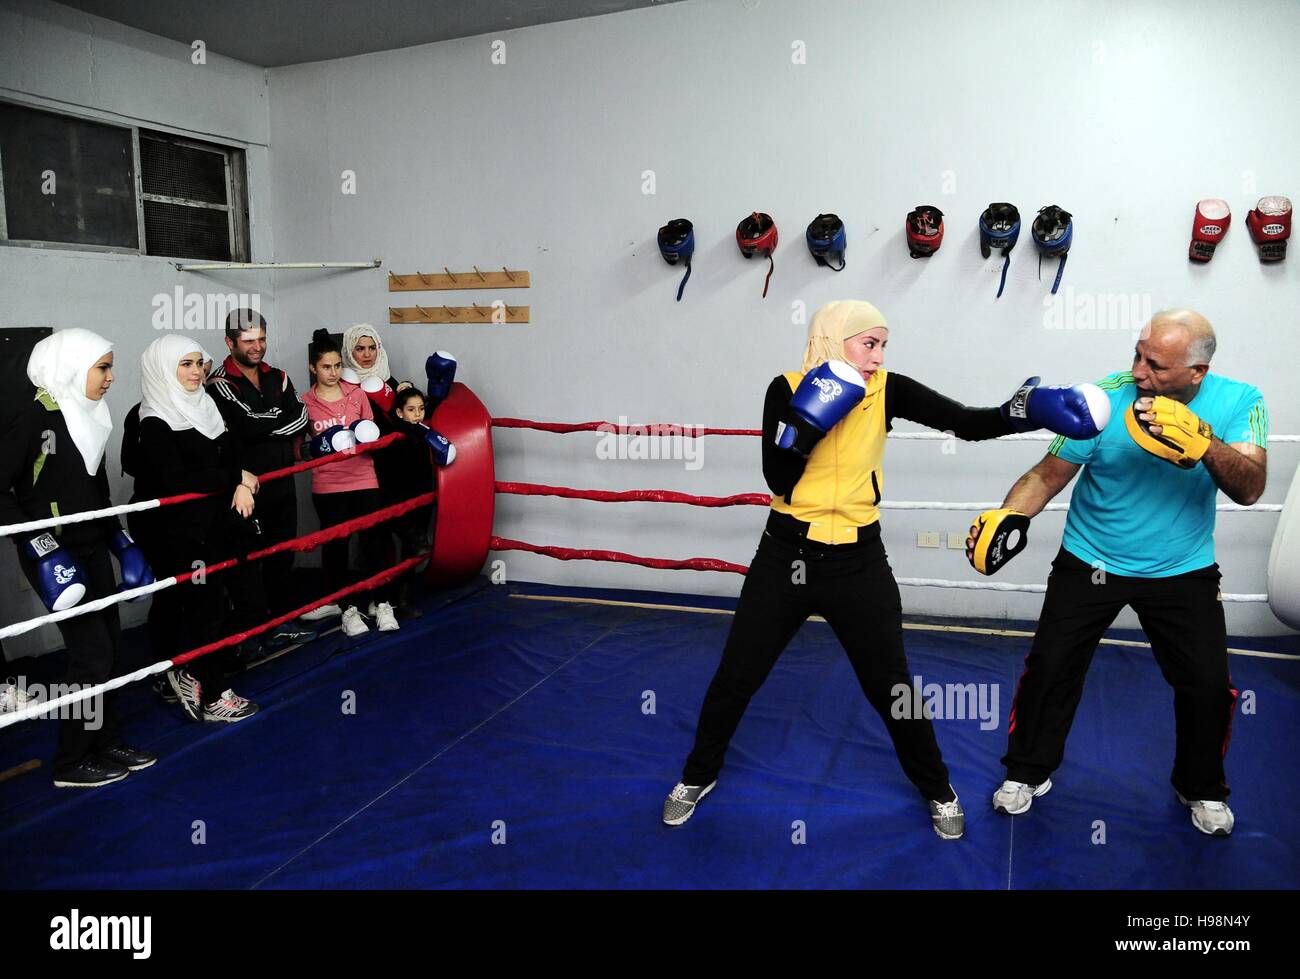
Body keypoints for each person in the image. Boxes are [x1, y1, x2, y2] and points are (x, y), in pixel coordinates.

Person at [662, 300, 1108, 838]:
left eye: (882, 346)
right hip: (787, 555)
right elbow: (778, 479)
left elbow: (964, 423)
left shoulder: (887, 389)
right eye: (868, 344)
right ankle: (696, 774)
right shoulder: (784, 387)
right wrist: (806, 421)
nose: (877, 358)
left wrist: (1026, 411)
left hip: (857, 562)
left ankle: (937, 788)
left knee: (892, 685)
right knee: (737, 674)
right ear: (834, 339)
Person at [970, 309, 1267, 837]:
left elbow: (1250, 488)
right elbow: (1046, 474)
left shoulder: (1241, 401)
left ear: (1196, 372)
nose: (1138, 371)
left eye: (1155, 364)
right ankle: (1027, 772)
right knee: (1051, 668)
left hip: (1182, 569)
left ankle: (1199, 785)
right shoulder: (1103, 398)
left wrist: (1204, 443)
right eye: (1138, 353)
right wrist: (1008, 516)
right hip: (1092, 559)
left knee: (1205, 685)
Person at [0, 329, 156, 787]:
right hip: (55, 554)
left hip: (92, 545)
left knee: (109, 650)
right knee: (90, 655)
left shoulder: (92, 416)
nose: (110, 378)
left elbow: (96, 492)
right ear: (70, 368)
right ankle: (70, 763)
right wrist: (39, 545)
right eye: (102, 368)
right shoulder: (31, 420)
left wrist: (120, 541)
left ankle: (103, 740)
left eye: (110, 367)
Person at [124, 336, 261, 723]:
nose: (196, 371)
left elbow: (233, 456)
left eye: (200, 363)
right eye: (185, 364)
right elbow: (177, 481)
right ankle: (208, 689)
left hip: (213, 522)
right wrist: (234, 476)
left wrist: (235, 479)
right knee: (198, 603)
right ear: (164, 368)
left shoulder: (209, 406)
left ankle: (186, 670)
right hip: (176, 531)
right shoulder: (152, 420)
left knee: (218, 600)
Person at [206, 309, 316, 652]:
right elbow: (244, 425)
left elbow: (302, 417)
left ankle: (282, 622)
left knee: (282, 554)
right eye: (249, 340)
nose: (257, 347)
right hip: (245, 489)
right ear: (230, 341)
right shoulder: (218, 383)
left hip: (282, 482)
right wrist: (272, 421)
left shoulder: (279, 376)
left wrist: (264, 424)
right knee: (247, 561)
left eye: (262, 339)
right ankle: (252, 633)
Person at [301, 329, 398, 635]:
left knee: (374, 542)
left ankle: (381, 603)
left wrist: (362, 435)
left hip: (363, 478)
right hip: (329, 485)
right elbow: (299, 449)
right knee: (336, 549)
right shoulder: (305, 402)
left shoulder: (356, 395)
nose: (332, 372)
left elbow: (373, 436)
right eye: (326, 367)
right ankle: (347, 609)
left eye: (336, 366)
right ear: (313, 368)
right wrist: (319, 446)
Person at [373, 386, 437, 610]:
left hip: (421, 497)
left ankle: (403, 600)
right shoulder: (393, 436)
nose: (417, 414)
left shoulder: (425, 434)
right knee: (400, 544)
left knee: (411, 552)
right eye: (411, 409)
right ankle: (382, 601)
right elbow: (386, 475)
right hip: (396, 499)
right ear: (400, 412)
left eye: (420, 409)